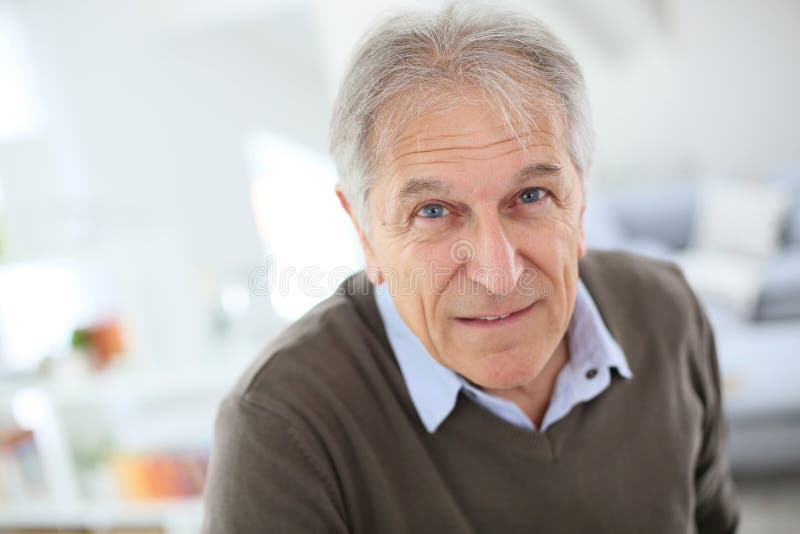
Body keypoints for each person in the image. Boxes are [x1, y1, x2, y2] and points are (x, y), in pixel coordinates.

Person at [202, 3, 740, 533]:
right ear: (365, 233)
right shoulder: (281, 428)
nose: (498, 273)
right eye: (433, 211)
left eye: (531, 195)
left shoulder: (667, 311)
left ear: (579, 202)